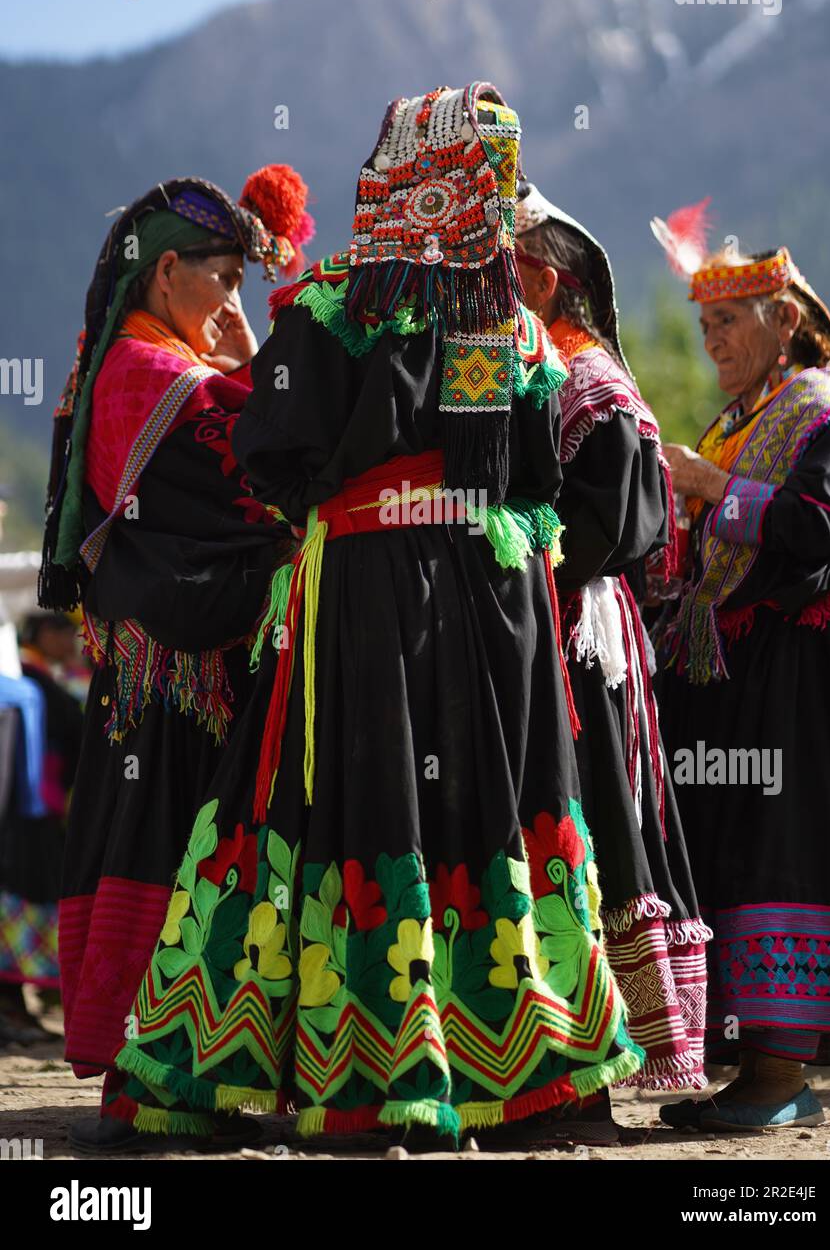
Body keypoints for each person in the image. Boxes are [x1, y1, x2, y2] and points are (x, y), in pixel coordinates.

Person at [102, 82, 644, 1153]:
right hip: (491, 608)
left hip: (359, 593)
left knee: (341, 808)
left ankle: (345, 1072)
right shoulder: (506, 324)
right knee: (482, 810)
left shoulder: (329, 305)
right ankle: (521, 1077)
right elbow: (524, 475)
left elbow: (273, 454)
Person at [38, 166, 314, 1144]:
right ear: (166, 275)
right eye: (224, 279)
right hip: (182, 677)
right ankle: (172, 1084)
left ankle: (153, 1081)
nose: (232, 301)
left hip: (151, 678)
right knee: (182, 856)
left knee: (150, 845)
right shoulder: (152, 378)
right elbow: (269, 472)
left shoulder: (119, 362)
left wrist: (245, 359)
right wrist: (269, 368)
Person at [651, 208, 830, 1131]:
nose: (712, 344)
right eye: (703, 330)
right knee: (734, 851)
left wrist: (712, 492)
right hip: (735, 676)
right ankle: (755, 1072)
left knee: (785, 848)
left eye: (728, 323)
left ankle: (785, 1076)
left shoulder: (827, 415)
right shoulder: (741, 421)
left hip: (795, 677)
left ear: (784, 321)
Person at [514, 183, 710, 1114]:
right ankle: (571, 1054)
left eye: (501, 274)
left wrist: (528, 554)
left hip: (582, 632)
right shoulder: (544, 367)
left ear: (543, 281)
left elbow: (624, 522)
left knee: (593, 810)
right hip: (555, 620)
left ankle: (604, 1058)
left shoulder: (592, 382)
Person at [0, 613, 83, 1040]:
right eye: (65, 631)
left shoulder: (32, 678)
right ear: (43, 635)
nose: (74, 638)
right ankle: (10, 1009)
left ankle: (16, 1009)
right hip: (26, 810)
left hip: (32, 808)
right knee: (18, 899)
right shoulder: (26, 682)